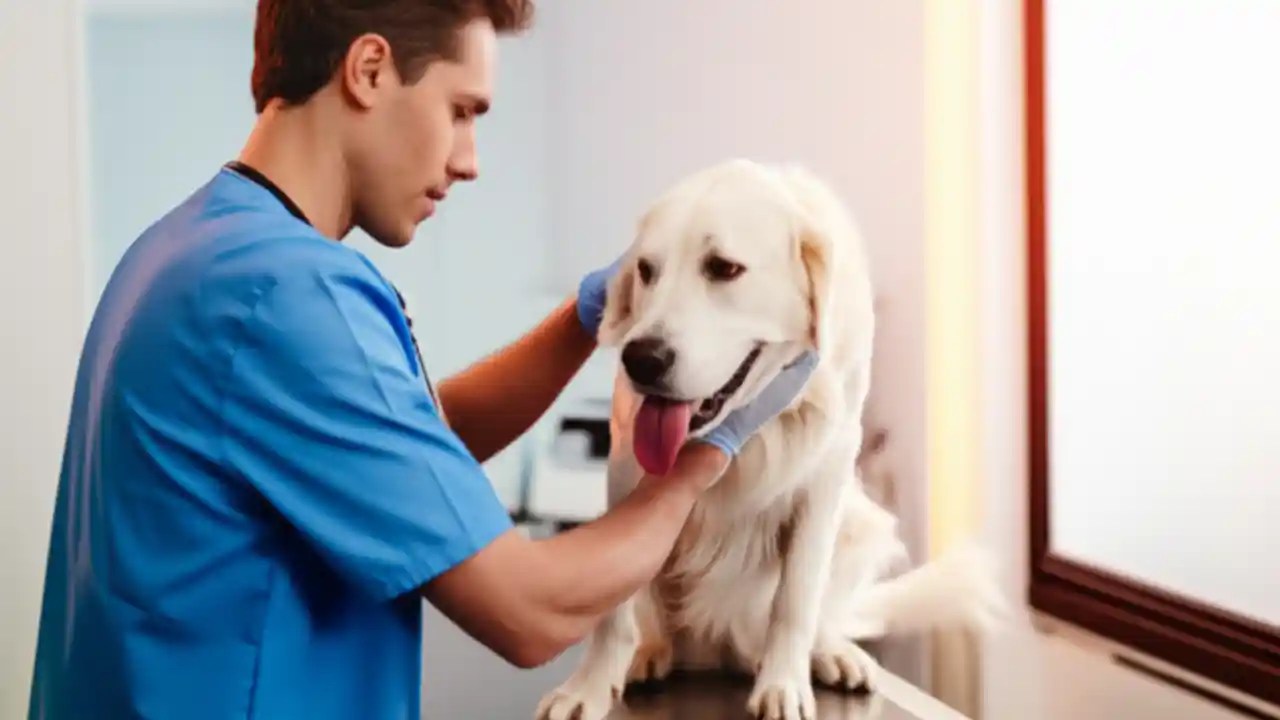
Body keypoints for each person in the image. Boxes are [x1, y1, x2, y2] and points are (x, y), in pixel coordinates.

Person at [27, 1, 818, 719]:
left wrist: (585, 317)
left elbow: (415, 445)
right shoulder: (292, 296)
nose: (470, 159)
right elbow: (530, 611)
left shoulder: (187, 251)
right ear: (369, 70)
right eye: (461, 111)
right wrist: (698, 463)